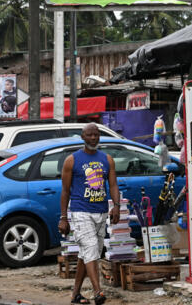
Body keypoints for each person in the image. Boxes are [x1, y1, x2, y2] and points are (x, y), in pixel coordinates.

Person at [59, 124, 120, 305]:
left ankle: (75, 295)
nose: (93, 138)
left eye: (96, 135)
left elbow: (113, 185)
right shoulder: (72, 160)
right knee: (91, 248)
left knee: (87, 254)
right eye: (89, 135)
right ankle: (98, 291)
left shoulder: (107, 159)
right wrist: (63, 217)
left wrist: (116, 206)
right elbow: (65, 191)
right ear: (83, 137)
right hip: (80, 212)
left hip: (100, 212)